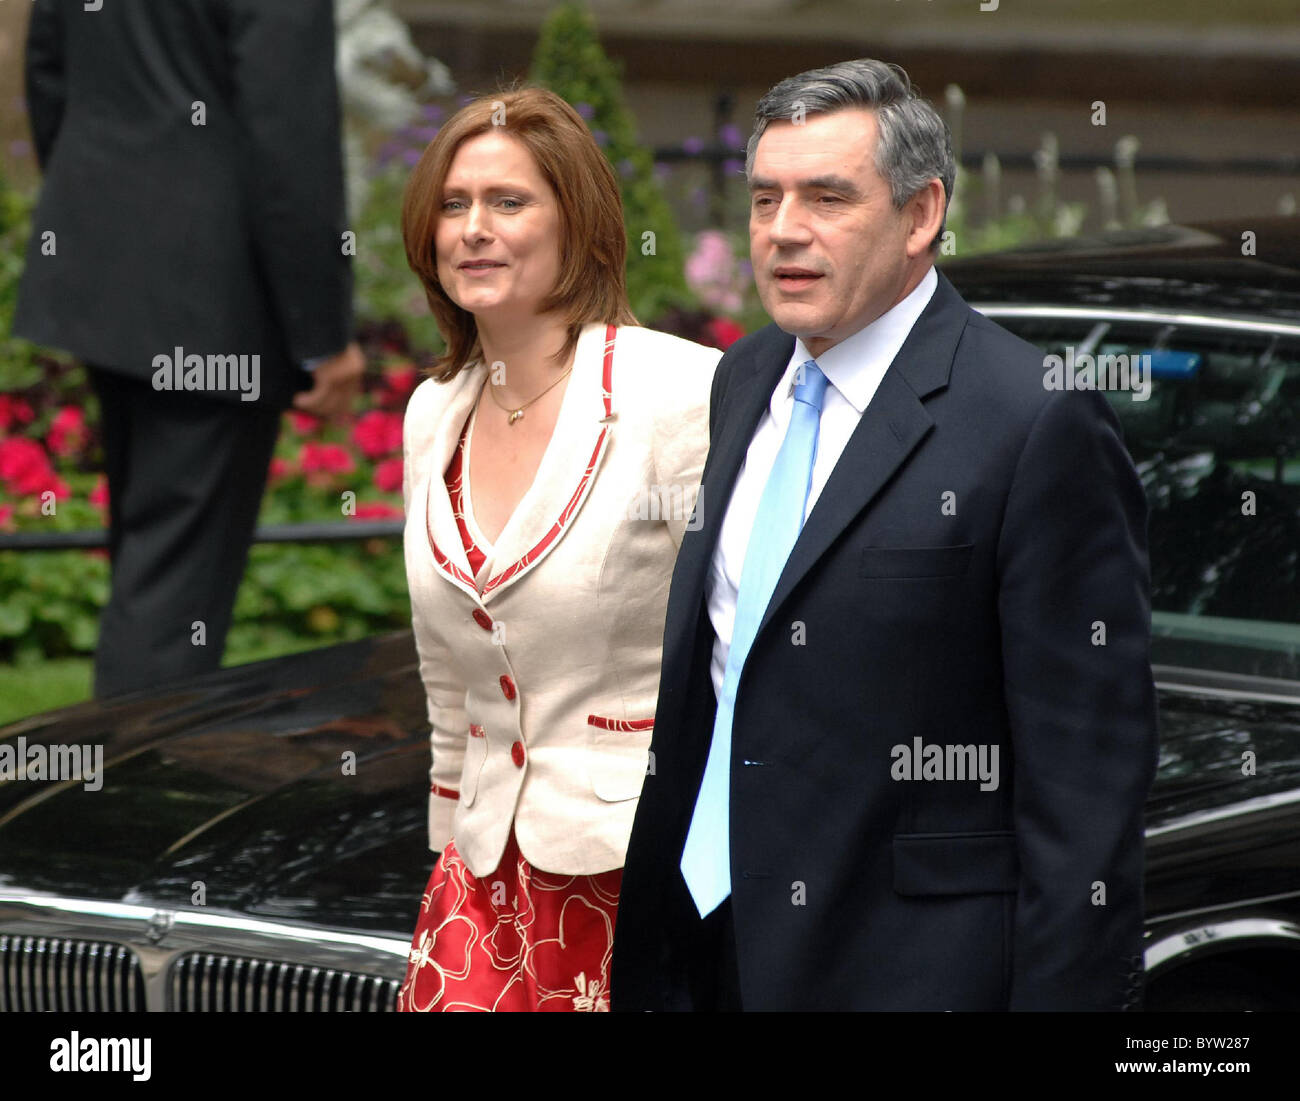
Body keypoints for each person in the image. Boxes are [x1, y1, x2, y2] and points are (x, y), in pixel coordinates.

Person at [610, 59, 1159, 1011]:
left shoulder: (1034, 422)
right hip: (702, 950)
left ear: (920, 215)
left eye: (828, 197)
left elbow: (1086, 793)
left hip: (903, 971)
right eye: (766, 197)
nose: (785, 230)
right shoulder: (744, 379)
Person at [395, 86, 720, 1012]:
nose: (474, 229)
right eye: (454, 205)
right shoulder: (434, 410)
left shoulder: (677, 392)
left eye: (508, 202)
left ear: (577, 223)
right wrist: (450, 830)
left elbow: (743, 644)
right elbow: (445, 668)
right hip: (477, 883)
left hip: (639, 868)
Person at [13, 0, 363, 698]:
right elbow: (289, 136)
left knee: (151, 561)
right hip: (211, 292)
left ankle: (115, 773)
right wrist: (322, 335)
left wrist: (102, 213)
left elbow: (48, 69)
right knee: (174, 592)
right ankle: (135, 792)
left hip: (111, 270)